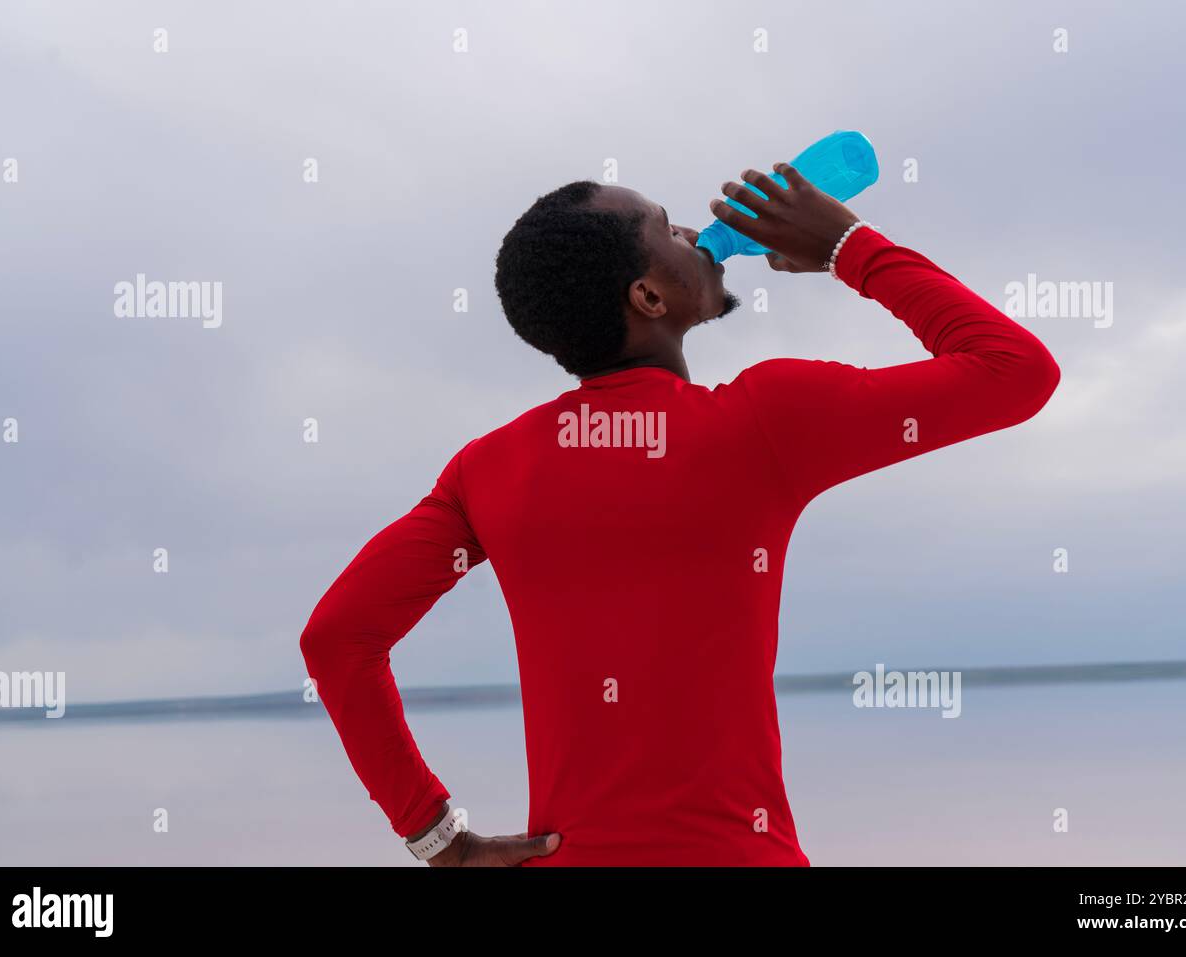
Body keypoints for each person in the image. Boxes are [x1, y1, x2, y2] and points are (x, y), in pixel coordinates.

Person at [299, 163, 1061, 866]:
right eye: (667, 228)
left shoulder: (487, 469)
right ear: (649, 297)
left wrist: (438, 837)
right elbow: (1015, 371)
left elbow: (337, 640)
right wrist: (849, 246)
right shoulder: (765, 422)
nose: (696, 235)